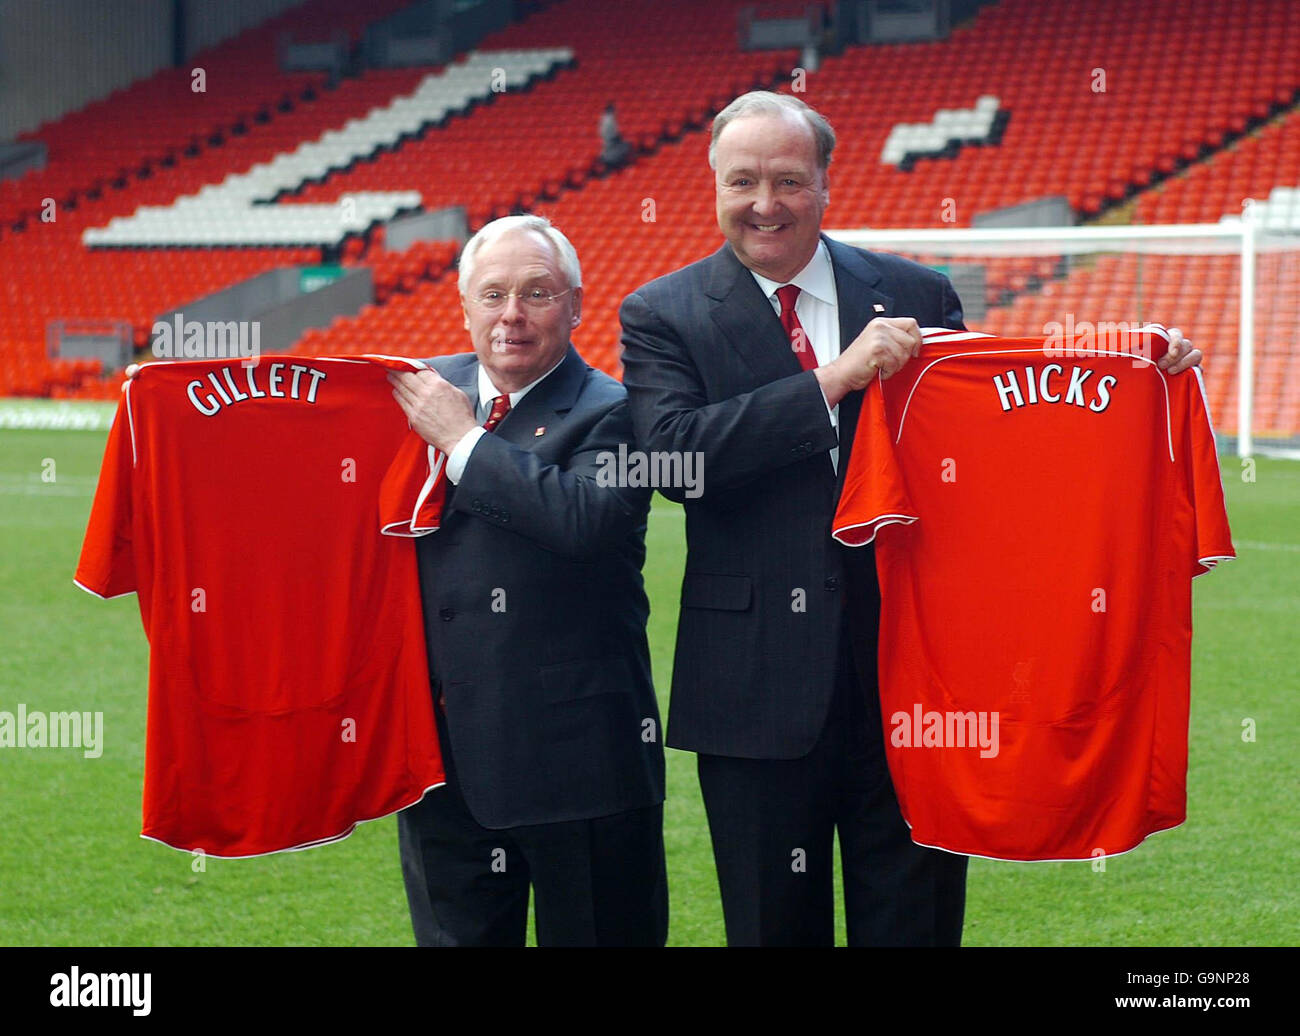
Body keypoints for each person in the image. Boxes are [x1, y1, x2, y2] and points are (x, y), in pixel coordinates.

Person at [617, 90, 1203, 946]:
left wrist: (1127, 366)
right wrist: (832, 382)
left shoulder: (913, 288)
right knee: (771, 923)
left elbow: (995, 424)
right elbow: (673, 459)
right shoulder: (661, 312)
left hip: (918, 675)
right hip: (752, 684)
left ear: (826, 182)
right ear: (714, 184)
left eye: (788, 180)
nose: (765, 205)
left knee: (914, 921)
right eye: (742, 181)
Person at [387, 214, 666, 947]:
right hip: (444, 763)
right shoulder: (418, 387)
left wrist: (462, 441)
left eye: (537, 294)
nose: (511, 315)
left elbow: (583, 521)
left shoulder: (620, 412)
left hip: (581, 760)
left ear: (575, 305)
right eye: (493, 294)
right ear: (464, 304)